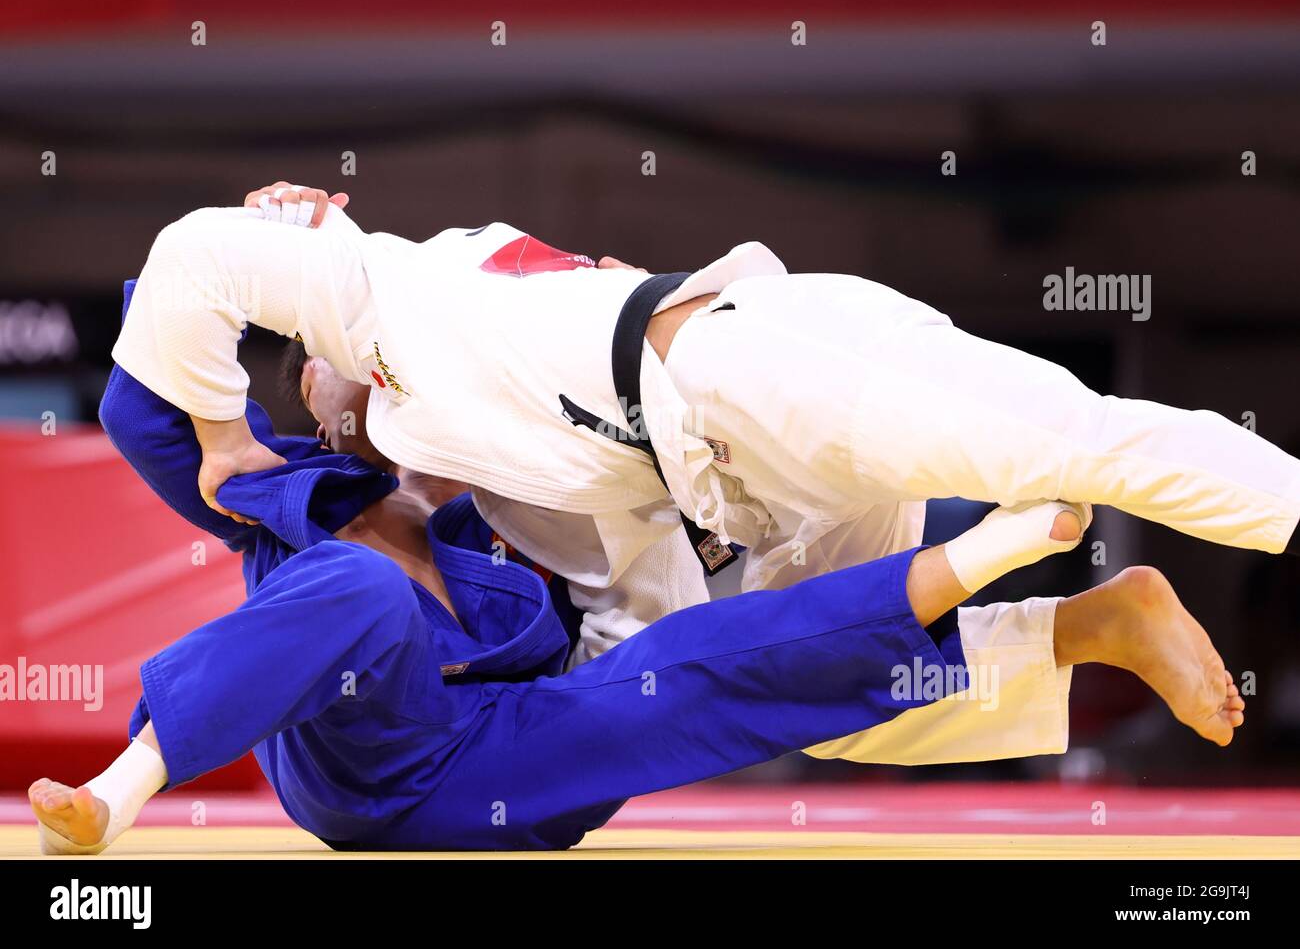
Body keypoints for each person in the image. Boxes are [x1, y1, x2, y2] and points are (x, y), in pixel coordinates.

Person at [30, 281, 1245, 854]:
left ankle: (1082, 624)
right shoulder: (286, 491)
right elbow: (152, 390)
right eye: (348, 365)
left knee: (771, 676)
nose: (375, 374)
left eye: (387, 359)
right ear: (323, 400)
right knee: (370, 595)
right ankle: (121, 788)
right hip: (400, 767)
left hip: (542, 673)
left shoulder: (493, 416)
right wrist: (231, 277)